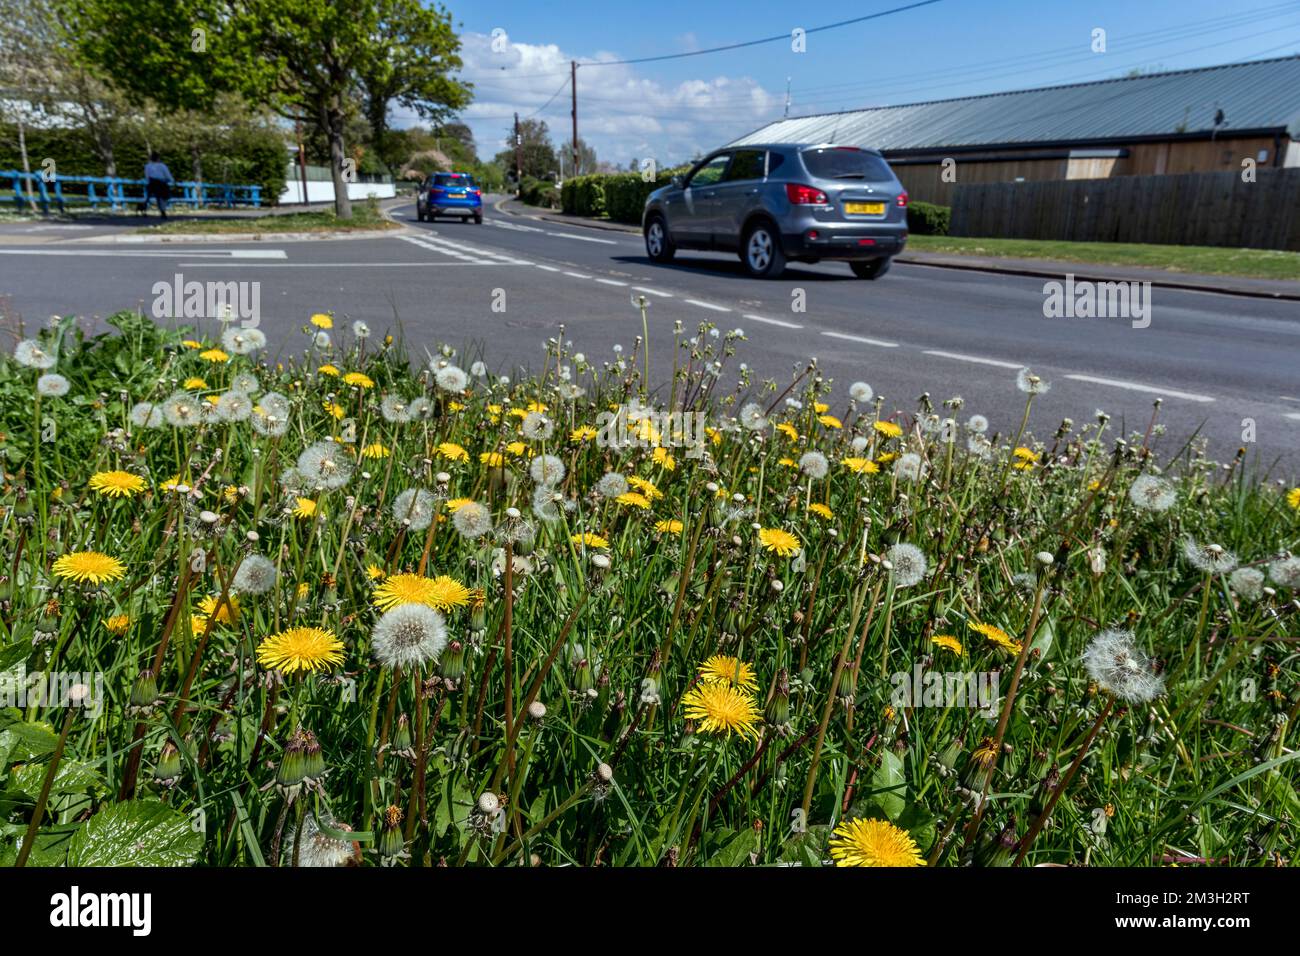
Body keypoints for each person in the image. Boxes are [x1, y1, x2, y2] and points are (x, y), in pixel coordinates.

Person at [143, 152, 174, 218]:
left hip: (152, 183)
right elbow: (167, 174)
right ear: (158, 158)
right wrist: (172, 181)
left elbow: (147, 176)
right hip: (161, 183)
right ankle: (163, 210)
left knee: (149, 197)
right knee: (164, 196)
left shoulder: (147, 166)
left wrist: (148, 182)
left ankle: (145, 210)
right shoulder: (162, 166)